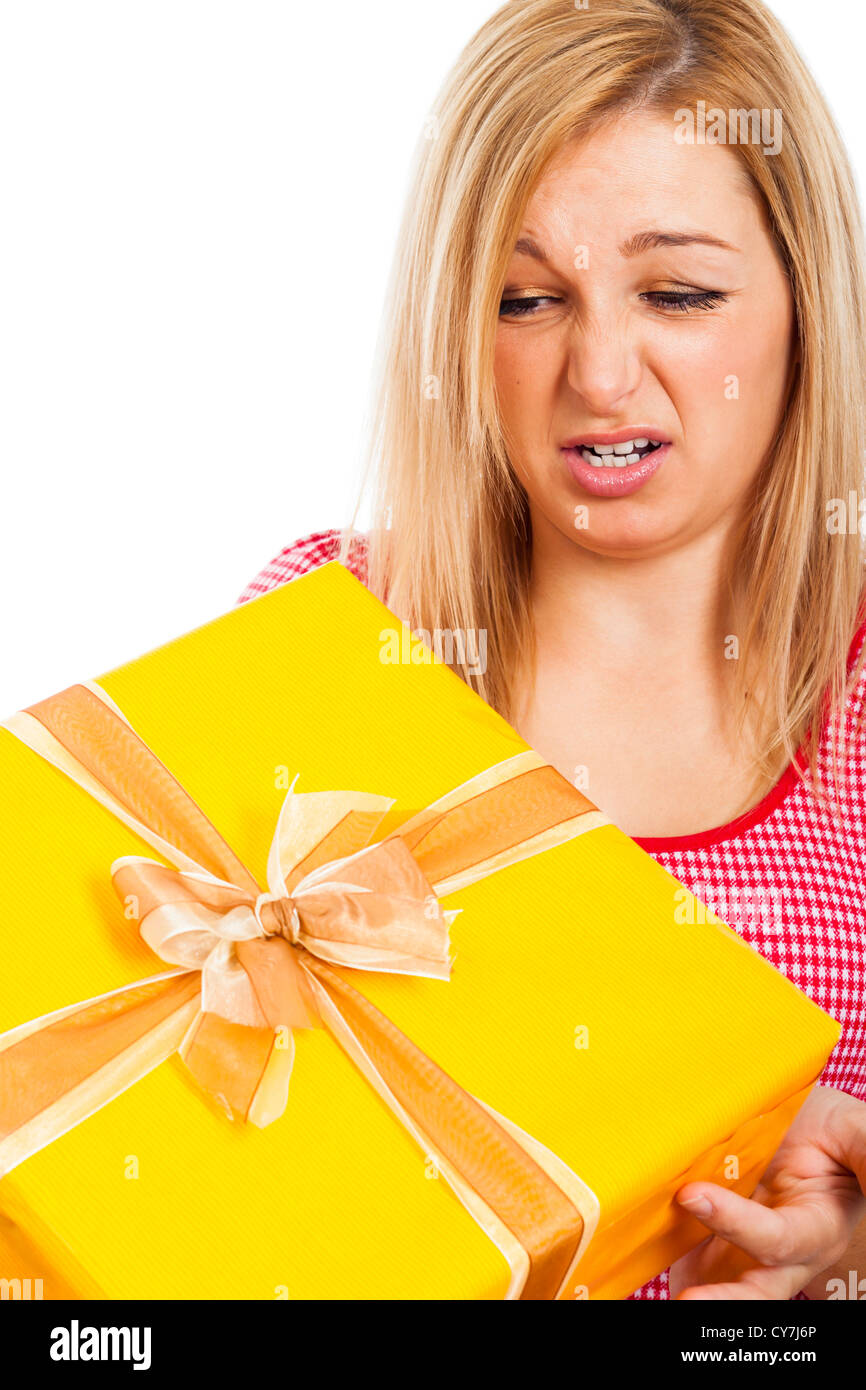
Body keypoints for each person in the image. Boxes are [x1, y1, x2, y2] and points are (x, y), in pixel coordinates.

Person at [239, 0, 866, 1299]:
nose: (597, 370)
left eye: (677, 291)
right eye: (526, 298)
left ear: (807, 300)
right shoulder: (333, 635)